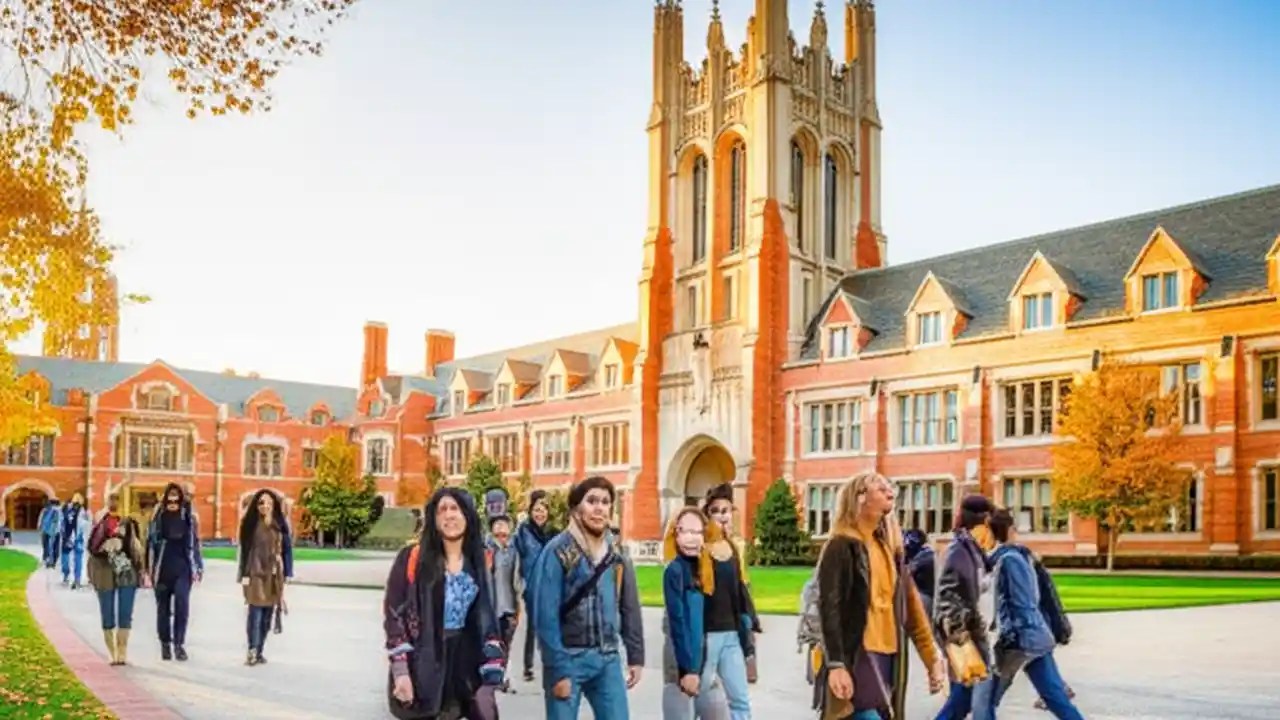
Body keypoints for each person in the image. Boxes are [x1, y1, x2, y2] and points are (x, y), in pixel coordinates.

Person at [816, 472, 944, 720]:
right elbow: (828, 609)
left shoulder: (889, 550)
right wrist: (836, 665)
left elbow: (913, 612)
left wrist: (932, 659)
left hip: (888, 656)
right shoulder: (841, 546)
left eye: (890, 487)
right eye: (880, 487)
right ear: (860, 497)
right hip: (858, 657)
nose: (890, 492)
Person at [383, 487, 504, 719]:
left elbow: (488, 618)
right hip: (423, 664)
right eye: (442, 510)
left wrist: (492, 668)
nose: (449, 515)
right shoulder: (413, 558)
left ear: (467, 515)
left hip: (465, 666)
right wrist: (401, 671)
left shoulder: (481, 561)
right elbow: (394, 616)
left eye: (455, 509)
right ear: (434, 518)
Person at [531, 476, 644, 720]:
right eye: (591, 500)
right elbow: (545, 615)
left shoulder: (617, 555)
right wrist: (558, 669)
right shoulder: (558, 551)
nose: (599, 507)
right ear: (576, 508)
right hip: (568, 658)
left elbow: (629, 606)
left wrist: (635, 655)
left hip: (607, 658)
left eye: (605, 502)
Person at [979, 509, 1084, 720]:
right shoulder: (1018, 556)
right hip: (1035, 639)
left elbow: (1023, 603)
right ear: (1010, 530)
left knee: (984, 700)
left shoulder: (1009, 560)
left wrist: (1007, 638)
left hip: (1021, 641)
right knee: (1056, 698)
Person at [662, 506, 749, 720]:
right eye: (686, 532)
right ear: (676, 533)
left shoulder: (703, 567)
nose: (692, 538)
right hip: (683, 663)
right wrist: (688, 669)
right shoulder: (675, 571)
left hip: (702, 658)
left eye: (698, 532)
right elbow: (678, 623)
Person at [933, 494, 996, 720]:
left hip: (971, 630)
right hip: (962, 635)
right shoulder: (958, 550)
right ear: (983, 521)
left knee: (966, 697)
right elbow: (948, 595)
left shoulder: (972, 550)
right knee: (963, 697)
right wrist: (960, 636)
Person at [147, 483, 204, 661]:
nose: (173, 503)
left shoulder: (188, 518)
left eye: (176, 500)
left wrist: (199, 566)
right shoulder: (158, 518)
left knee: (182, 606)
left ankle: (179, 644)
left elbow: (194, 543)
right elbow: (149, 543)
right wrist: (146, 570)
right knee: (162, 609)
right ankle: (165, 643)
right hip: (162, 568)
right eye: (169, 500)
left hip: (183, 568)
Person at [237, 488, 294, 666]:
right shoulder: (249, 524)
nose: (265, 506)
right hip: (254, 571)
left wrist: (288, 572)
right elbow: (244, 552)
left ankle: (259, 649)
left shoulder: (280, 525)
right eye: (261, 503)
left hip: (274, 573)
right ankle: (252, 649)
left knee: (267, 615)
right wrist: (243, 575)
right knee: (255, 613)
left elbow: (287, 550)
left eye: (268, 503)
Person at [87, 495, 146, 666]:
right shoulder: (100, 522)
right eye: (112, 501)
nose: (115, 505)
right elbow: (92, 547)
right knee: (107, 611)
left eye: (118, 501)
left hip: (127, 571)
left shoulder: (132, 523)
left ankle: (122, 650)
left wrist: (124, 540)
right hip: (104, 571)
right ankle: (111, 651)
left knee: (125, 612)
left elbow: (139, 549)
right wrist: (105, 543)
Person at [512, 488, 554, 682]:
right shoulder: (523, 532)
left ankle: (551, 663)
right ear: (530, 511)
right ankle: (528, 666)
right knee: (533, 626)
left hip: (551, 585)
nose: (540, 513)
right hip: (531, 585)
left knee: (550, 625)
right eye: (536, 509)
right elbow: (514, 555)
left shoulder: (554, 534)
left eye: (543, 509)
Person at [486, 514, 519, 690]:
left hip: (509, 606)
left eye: (504, 525)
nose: (500, 529)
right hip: (491, 606)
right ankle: (493, 676)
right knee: (492, 643)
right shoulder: (487, 550)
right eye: (497, 525)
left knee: (507, 643)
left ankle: (504, 677)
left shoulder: (515, 551)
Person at [902, 528, 936, 616]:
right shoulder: (929, 554)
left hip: (924, 598)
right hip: (932, 598)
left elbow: (905, 577)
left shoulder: (922, 558)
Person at [60, 494, 91, 589]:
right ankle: (76, 579)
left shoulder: (65, 509)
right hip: (78, 537)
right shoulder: (84, 511)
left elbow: (61, 522)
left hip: (67, 537)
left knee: (66, 556)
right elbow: (86, 526)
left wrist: (63, 533)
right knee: (78, 558)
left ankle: (66, 575)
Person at [40, 498, 62, 569]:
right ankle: (53, 562)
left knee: (48, 546)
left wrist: (42, 528)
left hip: (48, 531)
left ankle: (49, 561)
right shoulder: (60, 510)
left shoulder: (47, 510)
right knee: (55, 547)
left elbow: (43, 521)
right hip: (57, 532)